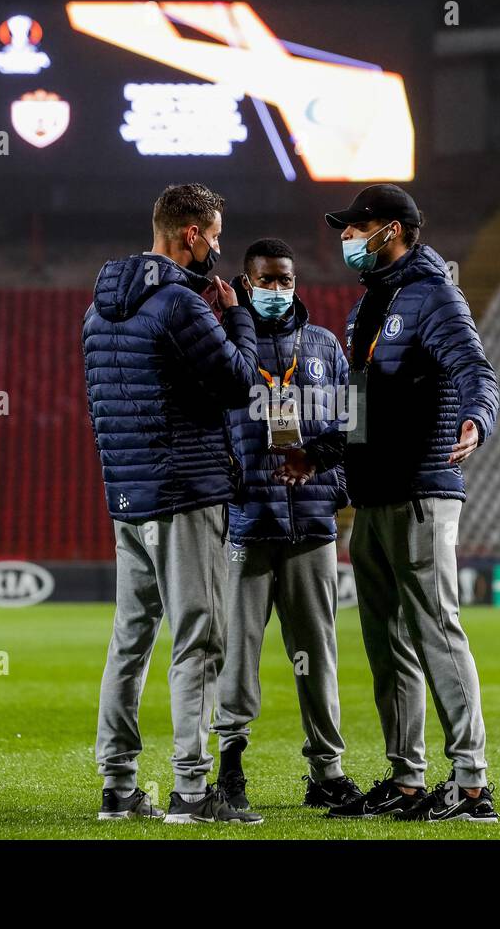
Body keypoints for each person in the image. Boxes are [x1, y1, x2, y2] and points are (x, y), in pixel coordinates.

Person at [277, 183, 500, 822]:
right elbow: (363, 413)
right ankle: (407, 779)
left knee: (436, 630)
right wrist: (318, 455)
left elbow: (476, 372)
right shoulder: (371, 306)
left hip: (422, 490)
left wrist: (477, 420)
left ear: (393, 230)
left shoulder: (434, 295)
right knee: (388, 643)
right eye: (346, 228)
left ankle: (473, 784)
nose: (347, 237)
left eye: (358, 227)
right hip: (374, 497)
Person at [82, 182, 262, 824]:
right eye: (214, 237)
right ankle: (190, 790)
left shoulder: (98, 310)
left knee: (129, 641)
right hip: (185, 494)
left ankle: (118, 786)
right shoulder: (181, 306)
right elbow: (239, 384)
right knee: (197, 639)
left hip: (128, 499)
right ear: (191, 234)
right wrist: (234, 315)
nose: (217, 248)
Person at [211, 238, 364, 814]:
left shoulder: (324, 345)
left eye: (286, 280)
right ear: (246, 284)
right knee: (237, 653)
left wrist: (339, 487)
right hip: (248, 523)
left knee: (317, 652)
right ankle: (229, 768)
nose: (278, 290)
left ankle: (327, 771)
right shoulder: (228, 344)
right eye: (267, 281)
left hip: (313, 528)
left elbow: (356, 422)